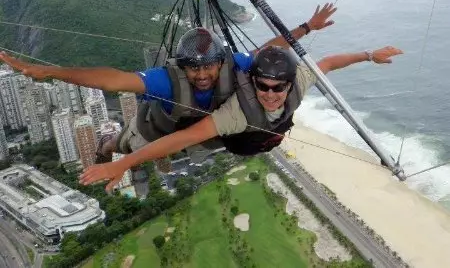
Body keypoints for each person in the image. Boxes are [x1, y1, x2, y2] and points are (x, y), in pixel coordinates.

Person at [0, 3, 337, 163]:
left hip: (199, 136)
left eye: (209, 67)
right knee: (120, 145)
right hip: (153, 133)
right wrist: (50, 72)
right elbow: (114, 79)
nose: (202, 75)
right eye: (193, 68)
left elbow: (270, 52)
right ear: (181, 66)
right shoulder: (167, 81)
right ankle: (103, 146)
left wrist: (307, 26)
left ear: (222, 62)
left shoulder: (237, 65)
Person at [79, 44, 403, 192]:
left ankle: (126, 151)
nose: (271, 93)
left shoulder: (300, 82)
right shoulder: (236, 111)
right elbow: (180, 139)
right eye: (262, 85)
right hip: (221, 138)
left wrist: (369, 55)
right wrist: (121, 164)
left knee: (174, 146)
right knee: (149, 142)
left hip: (259, 139)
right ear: (253, 80)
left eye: (279, 87)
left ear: (291, 82)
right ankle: (107, 146)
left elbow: (329, 62)